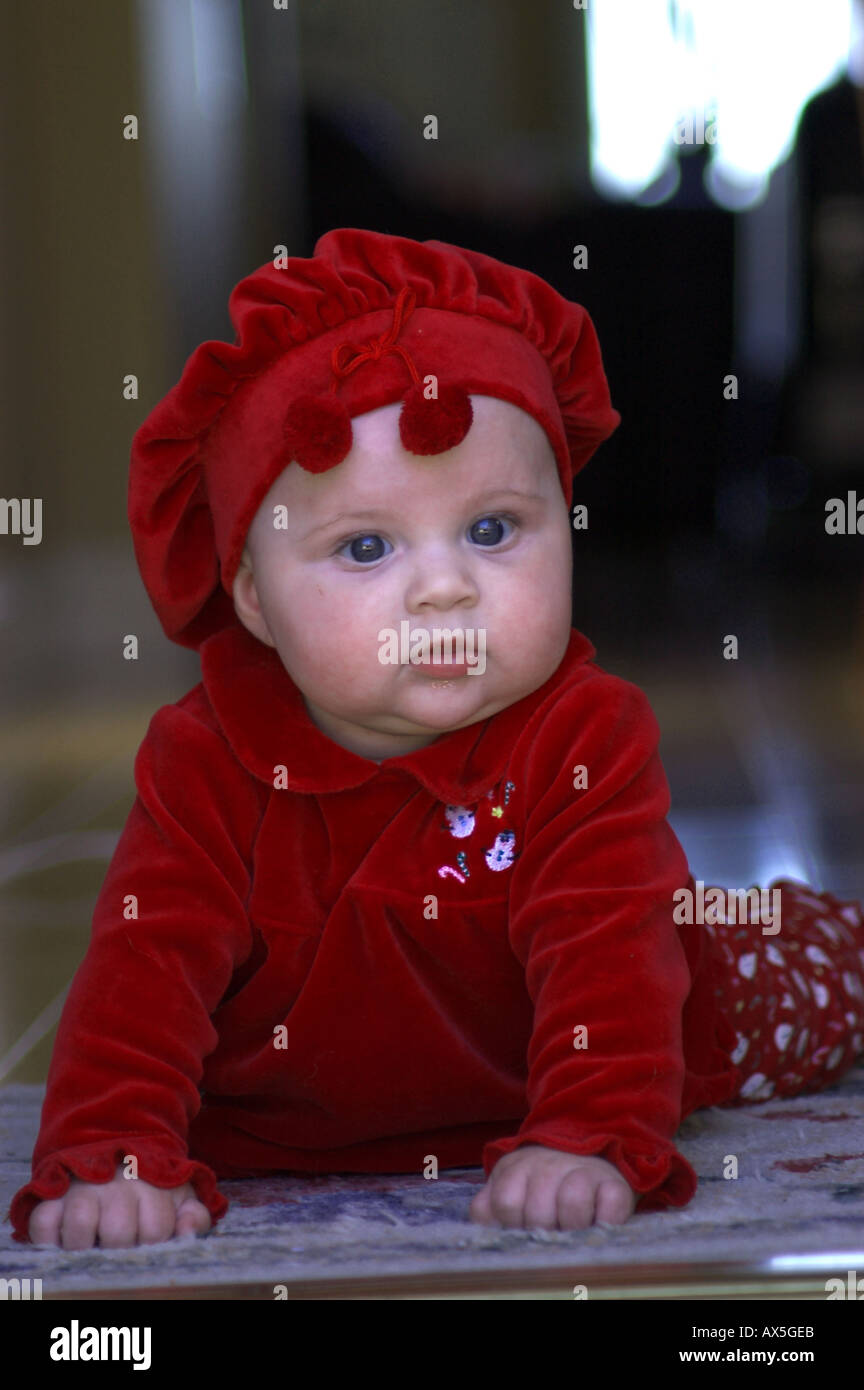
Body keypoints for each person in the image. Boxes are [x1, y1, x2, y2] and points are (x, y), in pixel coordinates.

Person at [7, 229, 864, 1249]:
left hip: (643, 1022)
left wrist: (588, 1133)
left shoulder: (583, 734)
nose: (446, 586)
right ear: (254, 598)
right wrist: (114, 1154)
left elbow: (611, 956)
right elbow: (141, 977)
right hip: (292, 1110)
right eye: (365, 546)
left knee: (787, 954)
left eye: (494, 529)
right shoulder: (205, 760)